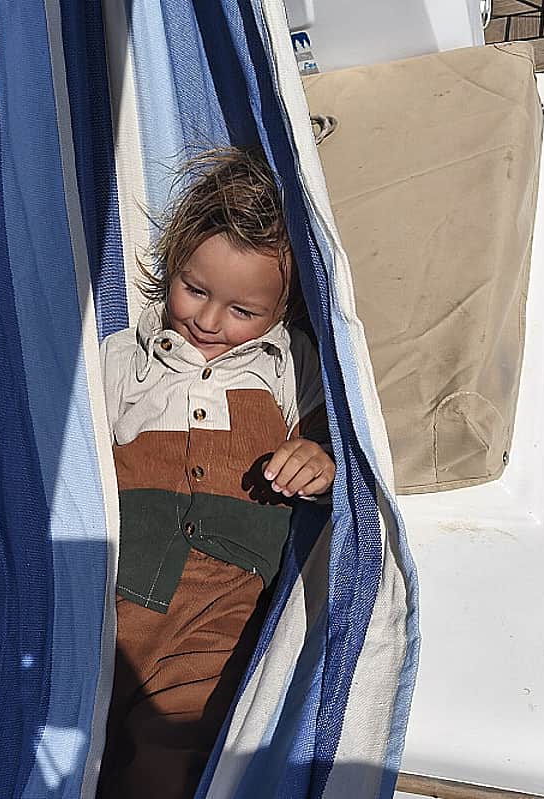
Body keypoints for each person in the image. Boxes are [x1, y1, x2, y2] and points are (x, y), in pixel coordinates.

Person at [96, 146, 333, 798]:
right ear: (172, 264)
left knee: (170, 752)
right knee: (77, 737)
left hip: (221, 605)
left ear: (282, 310)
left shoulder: (292, 363)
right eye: (194, 289)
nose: (206, 320)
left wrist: (316, 457)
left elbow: (326, 439)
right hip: (113, 596)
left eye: (241, 311)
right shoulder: (126, 357)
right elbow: (74, 457)